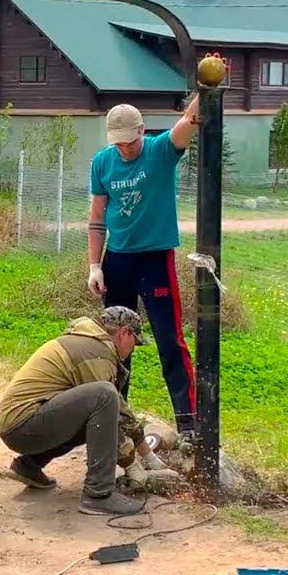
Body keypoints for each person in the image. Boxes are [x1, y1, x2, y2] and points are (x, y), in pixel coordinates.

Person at [86, 96, 201, 439]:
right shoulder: (102, 163)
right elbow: (96, 218)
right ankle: (115, 418)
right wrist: (95, 266)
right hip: (117, 260)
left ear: (141, 131)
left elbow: (188, 122)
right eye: (117, 142)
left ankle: (188, 424)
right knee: (115, 342)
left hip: (155, 258)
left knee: (169, 340)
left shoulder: (160, 150)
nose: (124, 148)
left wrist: (206, 81)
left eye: (129, 140)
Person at [0, 307, 172, 516]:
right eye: (135, 341)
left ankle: (28, 466)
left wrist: (148, 454)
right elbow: (112, 412)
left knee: (95, 411)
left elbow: (120, 412)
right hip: (23, 425)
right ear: (125, 332)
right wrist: (132, 465)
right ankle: (98, 495)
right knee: (104, 395)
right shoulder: (96, 353)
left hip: (22, 423)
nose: (133, 349)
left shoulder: (88, 343)